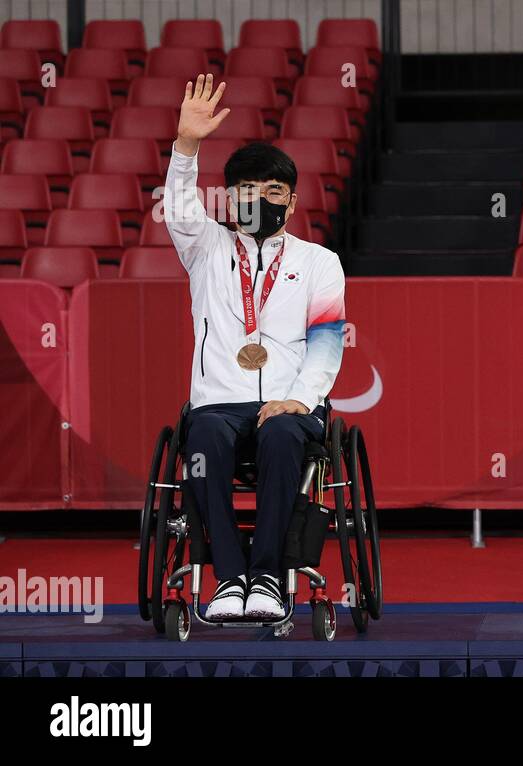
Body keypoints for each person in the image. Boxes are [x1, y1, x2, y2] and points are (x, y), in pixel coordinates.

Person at [163, 74, 346, 621]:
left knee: (285, 433)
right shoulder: (206, 247)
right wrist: (186, 147)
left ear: (290, 202)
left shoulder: (319, 262)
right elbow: (178, 207)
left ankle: (266, 577)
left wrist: (304, 398)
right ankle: (229, 581)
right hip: (217, 401)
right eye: (247, 189)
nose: (259, 199)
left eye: (272, 190)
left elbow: (326, 341)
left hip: (290, 405)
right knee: (206, 437)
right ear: (231, 197)